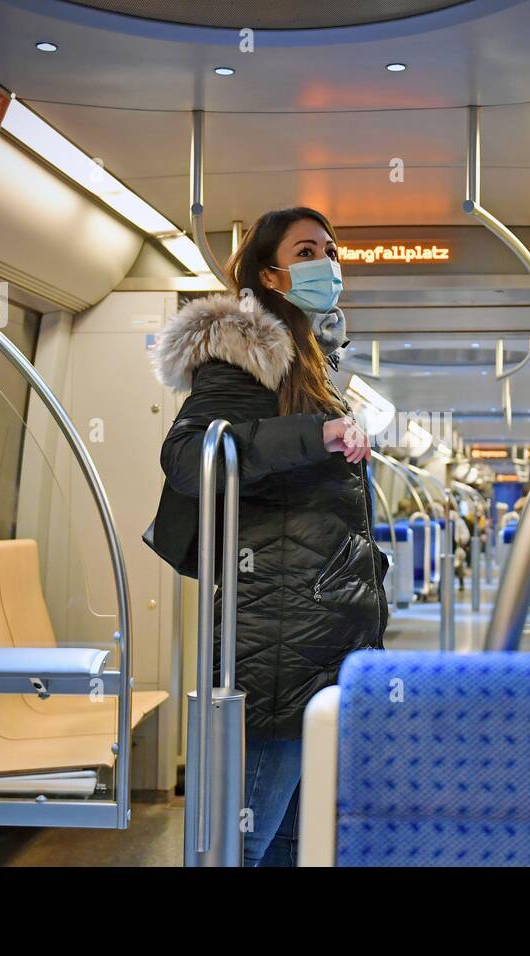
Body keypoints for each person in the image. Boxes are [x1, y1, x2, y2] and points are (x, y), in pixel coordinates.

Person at [147, 206, 389, 866]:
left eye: (331, 250)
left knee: (292, 839)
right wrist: (314, 436)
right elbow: (189, 454)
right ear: (271, 274)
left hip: (314, 648)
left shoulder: (310, 371)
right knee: (242, 842)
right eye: (307, 251)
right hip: (274, 654)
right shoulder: (243, 363)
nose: (327, 263)